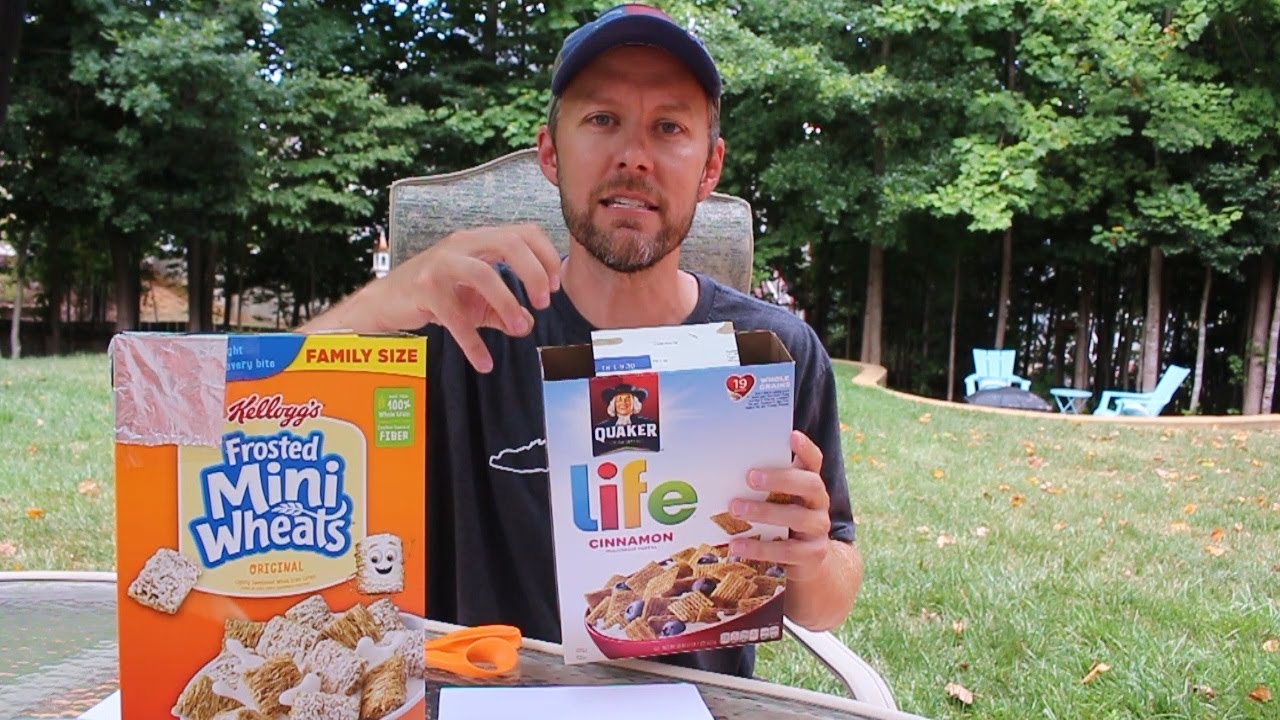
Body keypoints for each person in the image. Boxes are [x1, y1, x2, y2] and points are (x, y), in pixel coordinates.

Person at [300, 2, 863, 678]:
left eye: (669, 127)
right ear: (549, 151)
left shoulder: (774, 352)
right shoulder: (461, 326)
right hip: (483, 693)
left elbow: (828, 600)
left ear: (710, 168)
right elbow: (251, 421)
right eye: (602, 120)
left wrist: (810, 556)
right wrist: (385, 301)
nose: (634, 155)